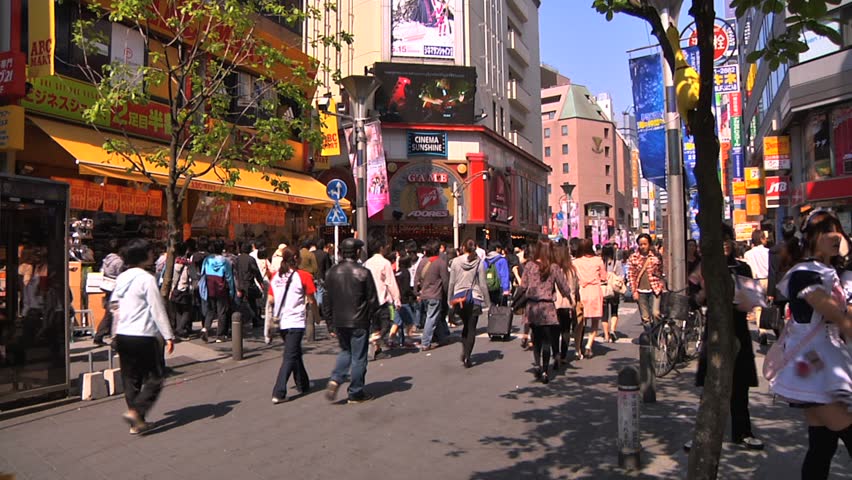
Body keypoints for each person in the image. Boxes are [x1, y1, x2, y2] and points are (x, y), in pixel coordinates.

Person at [772, 211, 852, 478]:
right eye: (827, 231)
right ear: (811, 239)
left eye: (837, 230)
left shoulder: (837, 272)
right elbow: (829, 310)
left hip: (831, 361)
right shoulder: (803, 272)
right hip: (815, 366)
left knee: (822, 446)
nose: (835, 236)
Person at [689, 223, 764, 452]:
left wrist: (745, 295)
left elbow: (754, 299)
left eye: (727, 239)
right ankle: (703, 435)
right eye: (718, 240)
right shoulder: (702, 269)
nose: (724, 244)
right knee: (711, 384)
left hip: (738, 326)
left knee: (740, 385)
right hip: (714, 328)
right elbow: (693, 300)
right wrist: (704, 289)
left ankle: (742, 432)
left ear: (732, 242)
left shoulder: (742, 268)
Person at [110, 239, 175, 434]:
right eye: (150, 252)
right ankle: (137, 412)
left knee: (131, 378)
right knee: (156, 377)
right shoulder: (147, 279)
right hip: (143, 335)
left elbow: (113, 305)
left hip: (123, 334)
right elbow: (157, 309)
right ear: (142, 256)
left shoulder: (122, 278)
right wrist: (168, 335)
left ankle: (136, 423)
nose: (152, 255)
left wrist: (116, 329)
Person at [323, 238, 379, 404]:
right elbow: (372, 300)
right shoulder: (363, 272)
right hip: (359, 320)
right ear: (356, 252)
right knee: (359, 357)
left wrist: (329, 322)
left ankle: (336, 378)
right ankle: (355, 392)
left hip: (340, 320)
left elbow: (327, 300)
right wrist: (373, 319)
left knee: (346, 351)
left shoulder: (332, 272)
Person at [521, 238, 572, 383]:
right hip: (548, 307)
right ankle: (545, 370)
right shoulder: (554, 267)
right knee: (547, 341)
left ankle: (537, 365)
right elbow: (564, 287)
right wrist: (570, 298)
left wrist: (516, 299)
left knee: (536, 338)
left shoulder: (529, 266)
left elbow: (523, 286)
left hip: (532, 307)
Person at [269, 247, 315, 404]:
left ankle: (303, 383)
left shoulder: (276, 276)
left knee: (294, 352)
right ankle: (279, 391)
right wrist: (317, 316)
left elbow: (270, 299)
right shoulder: (303, 276)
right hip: (295, 321)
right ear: (296, 258)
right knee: (290, 356)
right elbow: (311, 299)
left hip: (281, 321)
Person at [448, 238, 491, 368]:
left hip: (459, 298)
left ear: (462, 247)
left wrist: (449, 299)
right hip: (475, 297)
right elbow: (483, 284)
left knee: (465, 326)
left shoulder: (455, 262)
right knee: (471, 328)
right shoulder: (479, 263)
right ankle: (467, 355)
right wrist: (488, 303)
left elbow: (451, 282)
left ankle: (464, 350)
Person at [364, 232, 401, 360]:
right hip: (382, 300)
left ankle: (377, 350)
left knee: (375, 325)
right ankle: (373, 340)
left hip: (369, 301)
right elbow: (390, 282)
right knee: (386, 325)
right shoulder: (385, 263)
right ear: (381, 247)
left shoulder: (367, 263)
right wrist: (397, 299)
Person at [414, 239, 450, 351]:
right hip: (435, 294)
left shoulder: (422, 262)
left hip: (423, 294)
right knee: (432, 318)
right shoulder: (441, 263)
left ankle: (442, 337)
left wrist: (416, 292)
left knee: (435, 317)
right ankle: (425, 342)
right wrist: (447, 293)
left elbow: (416, 278)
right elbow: (445, 281)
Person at [573, 238, 607, 358]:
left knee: (580, 322)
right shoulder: (598, 260)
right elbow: (604, 277)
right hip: (595, 291)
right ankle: (588, 345)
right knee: (595, 322)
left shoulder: (575, 262)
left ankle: (577, 349)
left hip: (582, 292)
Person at [199, 239, 235, 343]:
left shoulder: (207, 259)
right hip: (221, 287)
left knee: (210, 309)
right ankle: (220, 335)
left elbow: (202, 272)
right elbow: (229, 277)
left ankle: (205, 328)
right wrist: (232, 291)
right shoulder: (225, 261)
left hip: (210, 286)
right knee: (222, 312)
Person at [628, 234, 664, 326]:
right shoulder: (634, 257)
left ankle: (657, 335)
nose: (642, 246)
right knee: (645, 317)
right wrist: (634, 291)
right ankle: (650, 338)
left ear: (649, 244)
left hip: (655, 289)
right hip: (640, 291)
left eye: (645, 244)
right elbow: (631, 275)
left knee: (656, 313)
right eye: (640, 244)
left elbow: (661, 271)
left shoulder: (656, 256)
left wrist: (661, 285)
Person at [553, 243, 580, 364]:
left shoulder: (553, 269)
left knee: (554, 329)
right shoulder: (572, 270)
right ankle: (564, 355)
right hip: (568, 303)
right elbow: (576, 286)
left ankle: (556, 353)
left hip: (554, 303)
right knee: (565, 329)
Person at [93, 239, 124, 345]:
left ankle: (101, 335)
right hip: (114, 288)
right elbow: (121, 275)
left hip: (107, 286)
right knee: (111, 313)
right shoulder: (119, 261)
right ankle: (103, 335)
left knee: (109, 312)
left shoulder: (107, 259)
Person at [743, 229, 771, 344]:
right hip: (768, 280)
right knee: (769, 306)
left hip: (755, 281)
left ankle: (762, 331)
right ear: (761, 239)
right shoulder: (769, 252)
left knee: (758, 308)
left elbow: (748, 270)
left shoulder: (748, 254)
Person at [235, 242, 265, 328]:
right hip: (248, 283)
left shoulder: (237, 259)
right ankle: (255, 319)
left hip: (239, 283)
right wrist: (261, 282)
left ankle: (240, 320)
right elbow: (256, 272)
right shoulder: (250, 259)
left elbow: (235, 272)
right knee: (252, 303)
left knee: (240, 303)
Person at [168, 242, 194, 340]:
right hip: (184, 288)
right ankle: (180, 329)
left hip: (175, 290)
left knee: (178, 311)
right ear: (186, 250)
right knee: (187, 311)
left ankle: (179, 331)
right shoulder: (187, 263)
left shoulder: (173, 262)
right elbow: (192, 277)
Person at [601, 244, 623, 343]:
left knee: (604, 314)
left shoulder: (600, 263)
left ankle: (606, 335)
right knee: (614, 311)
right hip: (614, 291)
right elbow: (621, 276)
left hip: (603, 290)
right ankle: (613, 330)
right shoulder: (617, 263)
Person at [484, 241, 511, 306]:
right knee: (502, 309)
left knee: (492, 308)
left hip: (489, 286)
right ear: (497, 249)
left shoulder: (485, 261)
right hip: (500, 287)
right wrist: (506, 289)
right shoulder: (502, 260)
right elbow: (504, 275)